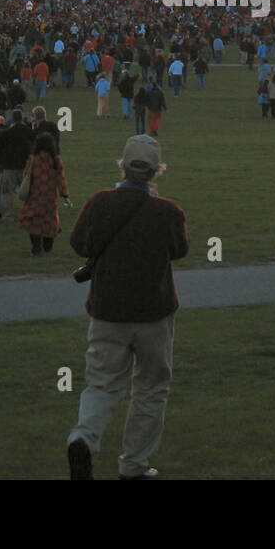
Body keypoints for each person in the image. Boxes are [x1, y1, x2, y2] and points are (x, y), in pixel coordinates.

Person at [66, 135, 190, 480]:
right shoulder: (168, 212)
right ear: (155, 171)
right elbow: (180, 249)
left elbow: (79, 243)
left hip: (108, 311)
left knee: (102, 384)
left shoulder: (99, 203)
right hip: (154, 312)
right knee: (151, 388)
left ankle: (84, 438)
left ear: (122, 165)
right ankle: (134, 465)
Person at [19, 132, 70, 256]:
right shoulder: (56, 161)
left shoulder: (33, 160)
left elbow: (26, 175)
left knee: (33, 222)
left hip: (35, 195)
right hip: (50, 197)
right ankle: (48, 246)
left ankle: (36, 248)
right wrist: (65, 195)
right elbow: (61, 179)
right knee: (49, 221)